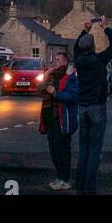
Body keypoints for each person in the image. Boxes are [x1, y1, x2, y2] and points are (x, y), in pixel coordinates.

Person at [73, 16, 112, 195]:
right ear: (92, 47)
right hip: (97, 107)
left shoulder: (78, 59)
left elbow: (76, 47)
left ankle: (80, 186)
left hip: (82, 108)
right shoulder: (100, 60)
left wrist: (85, 30)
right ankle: (90, 188)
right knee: (94, 150)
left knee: (83, 148)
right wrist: (105, 27)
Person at [38, 50, 78, 190]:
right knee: (53, 150)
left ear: (65, 62)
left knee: (63, 151)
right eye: (54, 59)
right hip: (50, 118)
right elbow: (39, 91)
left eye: (58, 60)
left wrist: (56, 93)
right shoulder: (52, 76)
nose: (55, 62)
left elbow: (72, 97)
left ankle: (65, 179)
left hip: (63, 119)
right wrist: (46, 76)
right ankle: (59, 177)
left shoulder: (70, 77)